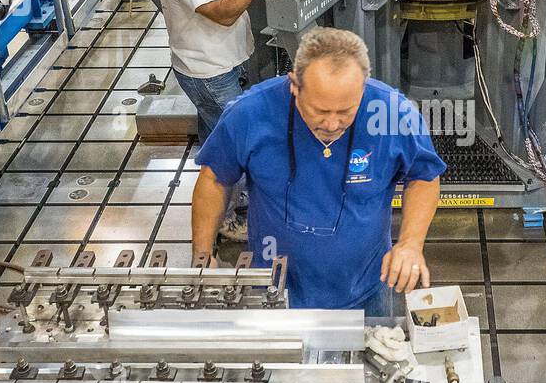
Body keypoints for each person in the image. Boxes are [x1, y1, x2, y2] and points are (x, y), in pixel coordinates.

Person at [191, 27, 446, 314]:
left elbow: (424, 176)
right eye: (320, 111)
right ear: (294, 85)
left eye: (346, 111)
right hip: (273, 288)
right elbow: (214, 178)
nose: (332, 124)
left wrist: (411, 243)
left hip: (365, 289)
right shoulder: (251, 113)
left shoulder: (392, 113)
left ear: (363, 88)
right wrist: (203, 255)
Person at [153, 0, 287, 238]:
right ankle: (236, 217)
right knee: (239, 143)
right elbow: (223, 12)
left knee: (218, 136)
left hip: (225, 63)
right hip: (210, 74)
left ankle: (220, 202)